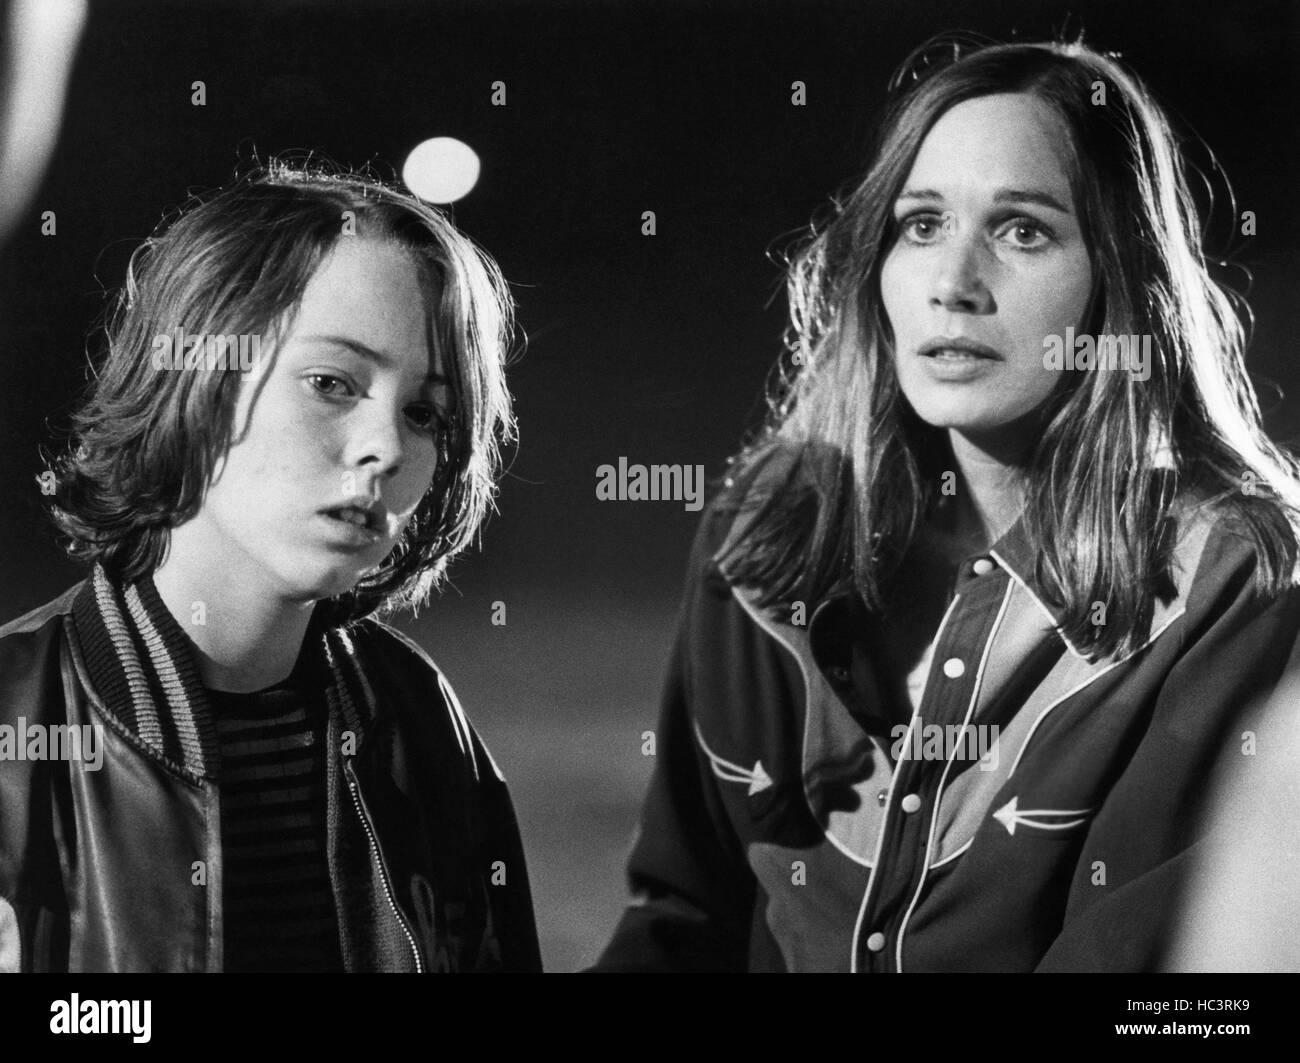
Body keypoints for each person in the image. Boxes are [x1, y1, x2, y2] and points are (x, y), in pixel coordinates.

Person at [595, 35, 1300, 972]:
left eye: (1023, 231)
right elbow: (681, 920)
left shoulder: (1231, 573)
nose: (953, 284)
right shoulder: (763, 529)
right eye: (921, 223)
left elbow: (1171, 999)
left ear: (1120, 281)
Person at [0, 161, 542, 972]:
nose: (387, 447)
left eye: (425, 412)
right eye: (331, 382)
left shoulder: (420, 717)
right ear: (198, 377)